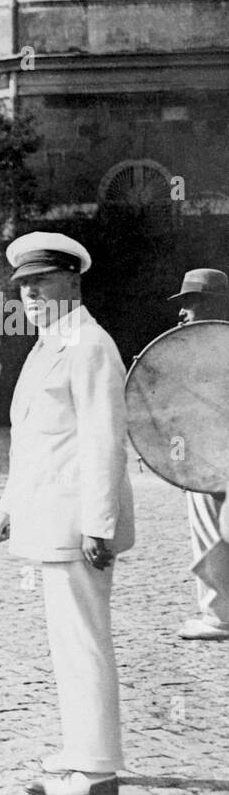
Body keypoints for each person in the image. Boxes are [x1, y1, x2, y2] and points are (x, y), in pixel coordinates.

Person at [0, 232, 134, 795]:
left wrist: (99, 522)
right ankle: (83, 749)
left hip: (77, 523)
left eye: (40, 281)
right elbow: (32, 438)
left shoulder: (88, 344)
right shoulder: (53, 340)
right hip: (50, 515)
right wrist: (9, 503)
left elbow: (104, 439)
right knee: (68, 641)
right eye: (23, 284)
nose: (29, 293)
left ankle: (97, 769)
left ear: (72, 281)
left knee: (83, 641)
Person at [164, 268, 229, 640]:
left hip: (210, 458)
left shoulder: (207, 349)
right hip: (208, 456)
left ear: (209, 306)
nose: (182, 313)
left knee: (210, 535)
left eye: (189, 304)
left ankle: (218, 618)